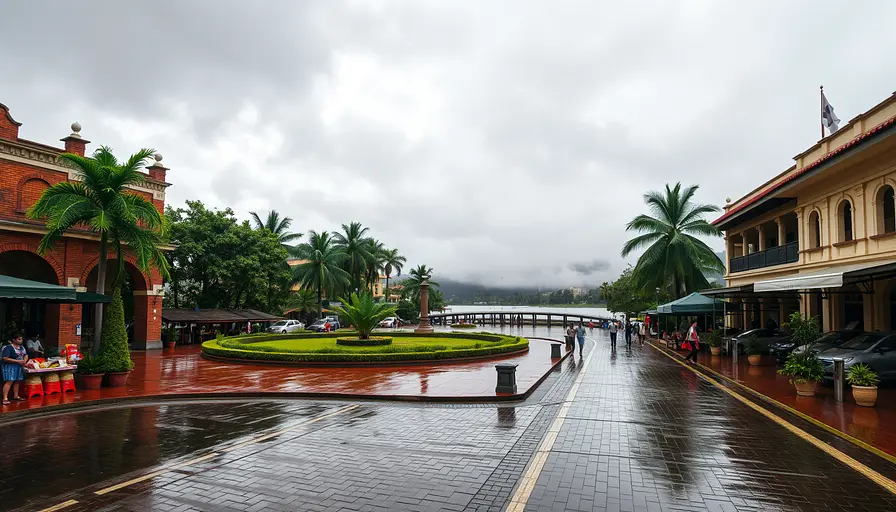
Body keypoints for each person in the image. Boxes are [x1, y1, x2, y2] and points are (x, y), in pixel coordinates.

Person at [2, 332, 29, 405]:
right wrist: (17, 361)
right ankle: (5, 398)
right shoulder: (8, 348)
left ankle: (16, 395)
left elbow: (25, 355)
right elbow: (5, 358)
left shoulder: (22, 347)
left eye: (21, 339)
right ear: (14, 340)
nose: (21, 340)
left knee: (18, 381)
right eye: (19, 339)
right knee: (9, 381)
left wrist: (24, 360)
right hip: (10, 366)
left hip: (19, 366)